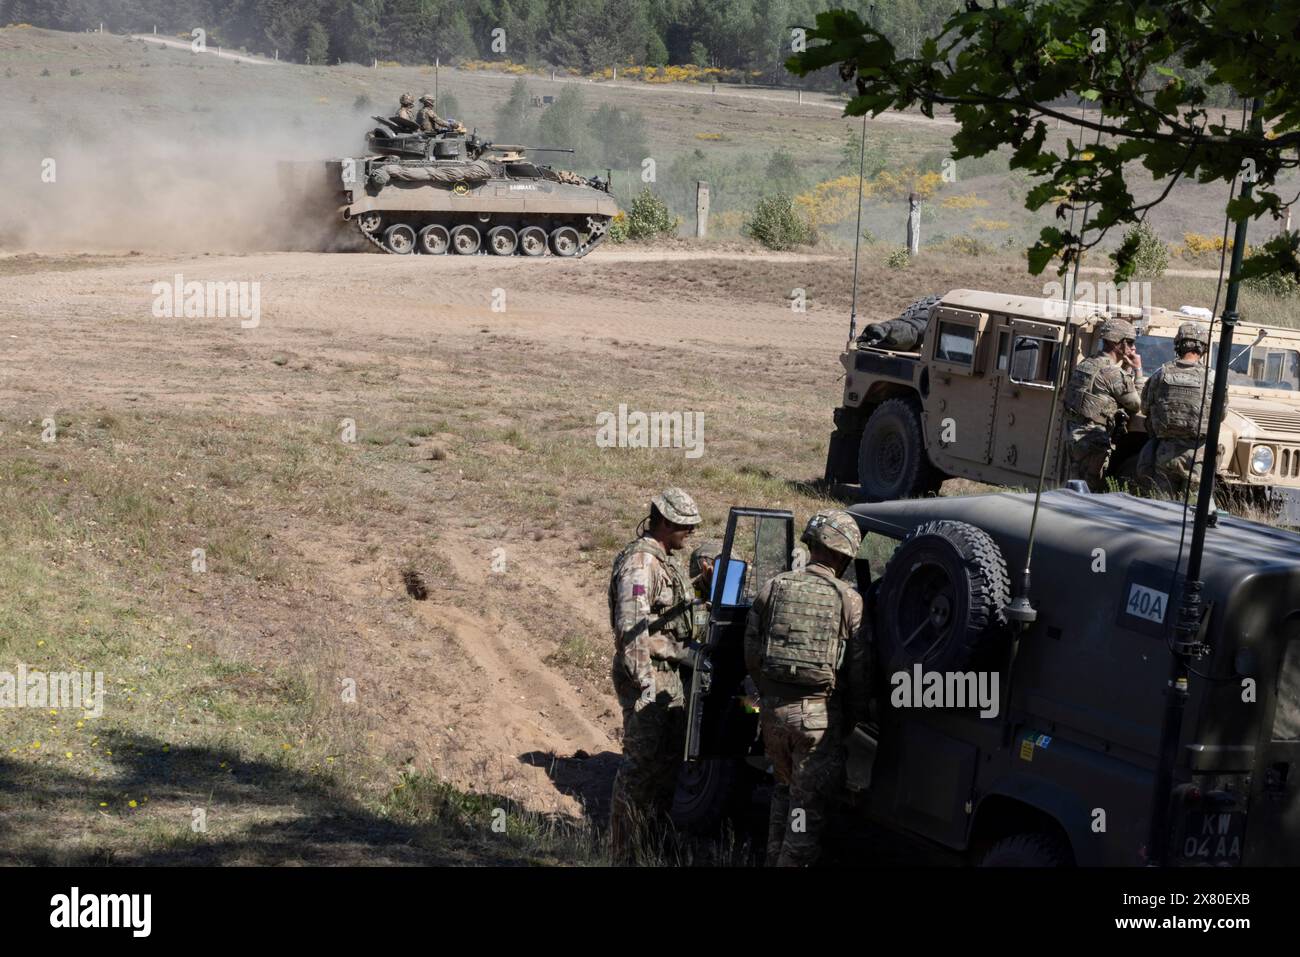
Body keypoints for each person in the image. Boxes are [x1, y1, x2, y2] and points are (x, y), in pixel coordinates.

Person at [744, 509, 867, 867]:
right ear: (843, 555)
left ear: (812, 545)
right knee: (804, 815)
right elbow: (859, 668)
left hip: (773, 716)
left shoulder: (775, 586)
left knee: (783, 793)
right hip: (814, 722)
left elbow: (751, 650)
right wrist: (852, 719)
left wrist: (768, 691)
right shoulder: (848, 599)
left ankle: (773, 859)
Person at [608, 487, 712, 863]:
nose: (690, 534)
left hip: (669, 677)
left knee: (665, 768)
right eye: (686, 527)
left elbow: (668, 613)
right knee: (639, 770)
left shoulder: (661, 561)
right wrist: (644, 684)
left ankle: (651, 845)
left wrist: (702, 587)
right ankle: (623, 853)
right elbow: (631, 629)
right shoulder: (640, 563)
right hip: (651, 678)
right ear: (666, 522)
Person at [1138, 321, 1222, 497]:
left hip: (1165, 452)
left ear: (1178, 345)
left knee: (1160, 506)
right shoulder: (1213, 378)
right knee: (1191, 510)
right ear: (1203, 348)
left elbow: (1145, 407)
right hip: (1196, 456)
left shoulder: (1160, 374)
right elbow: (1220, 415)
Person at [1063, 316, 1143, 491]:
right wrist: (1137, 370)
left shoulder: (1087, 363)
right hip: (1094, 439)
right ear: (1117, 343)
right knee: (1091, 489)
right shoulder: (1112, 373)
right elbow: (1136, 404)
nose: (1133, 347)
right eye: (1129, 342)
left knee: (1075, 487)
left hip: (1075, 433)